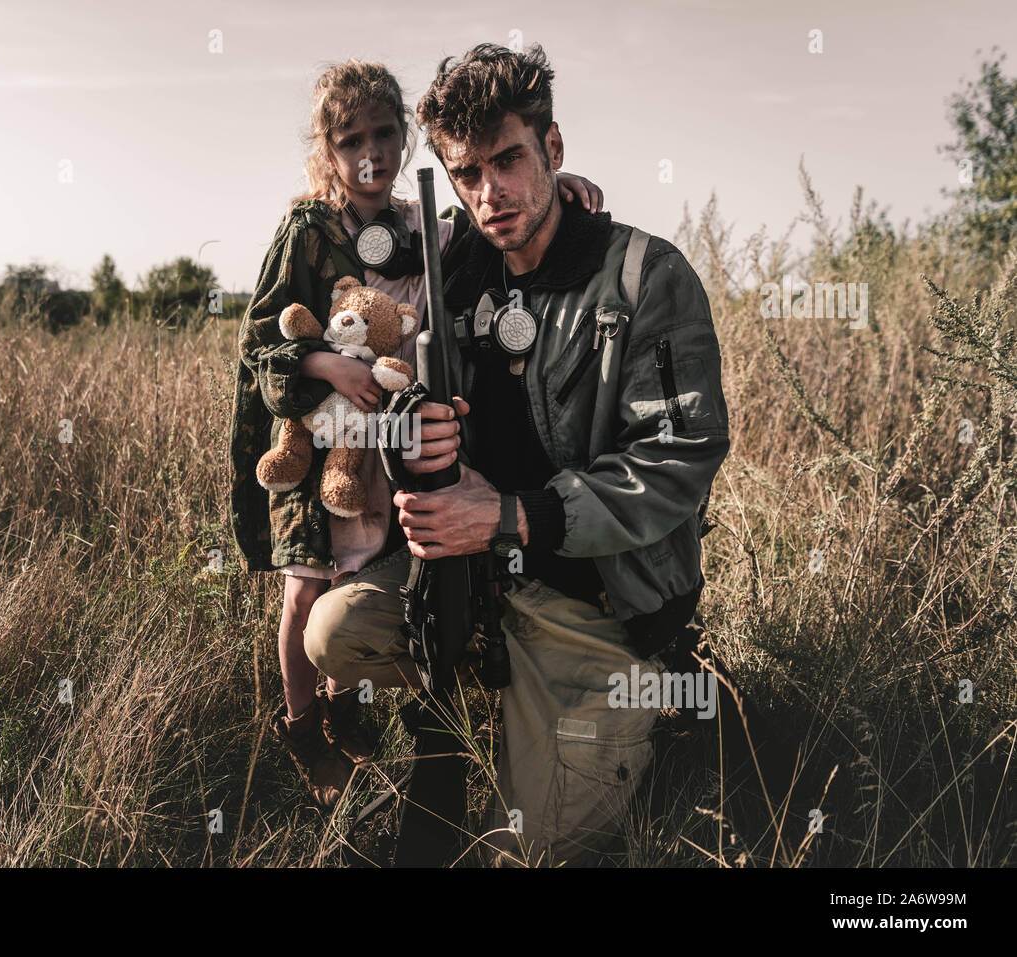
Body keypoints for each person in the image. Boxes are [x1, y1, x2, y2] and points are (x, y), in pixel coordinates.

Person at [302, 42, 730, 862]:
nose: (490, 193)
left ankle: (675, 694)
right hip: (474, 577)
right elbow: (393, 380)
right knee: (334, 632)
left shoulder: (645, 277)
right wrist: (409, 438)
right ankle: (476, 696)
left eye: (509, 160)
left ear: (555, 151)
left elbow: (678, 456)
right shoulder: (457, 268)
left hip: (594, 601)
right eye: (467, 174)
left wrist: (511, 515)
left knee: (527, 849)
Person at [227, 58, 604, 810]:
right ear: (326, 151)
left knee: (360, 582)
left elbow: (497, 218)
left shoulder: (417, 224)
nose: (369, 154)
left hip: (387, 456)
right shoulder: (308, 230)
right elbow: (259, 340)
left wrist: (560, 187)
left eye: (383, 134)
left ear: (403, 139)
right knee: (305, 592)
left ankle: (349, 716)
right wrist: (329, 366)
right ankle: (305, 731)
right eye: (349, 140)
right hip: (316, 451)